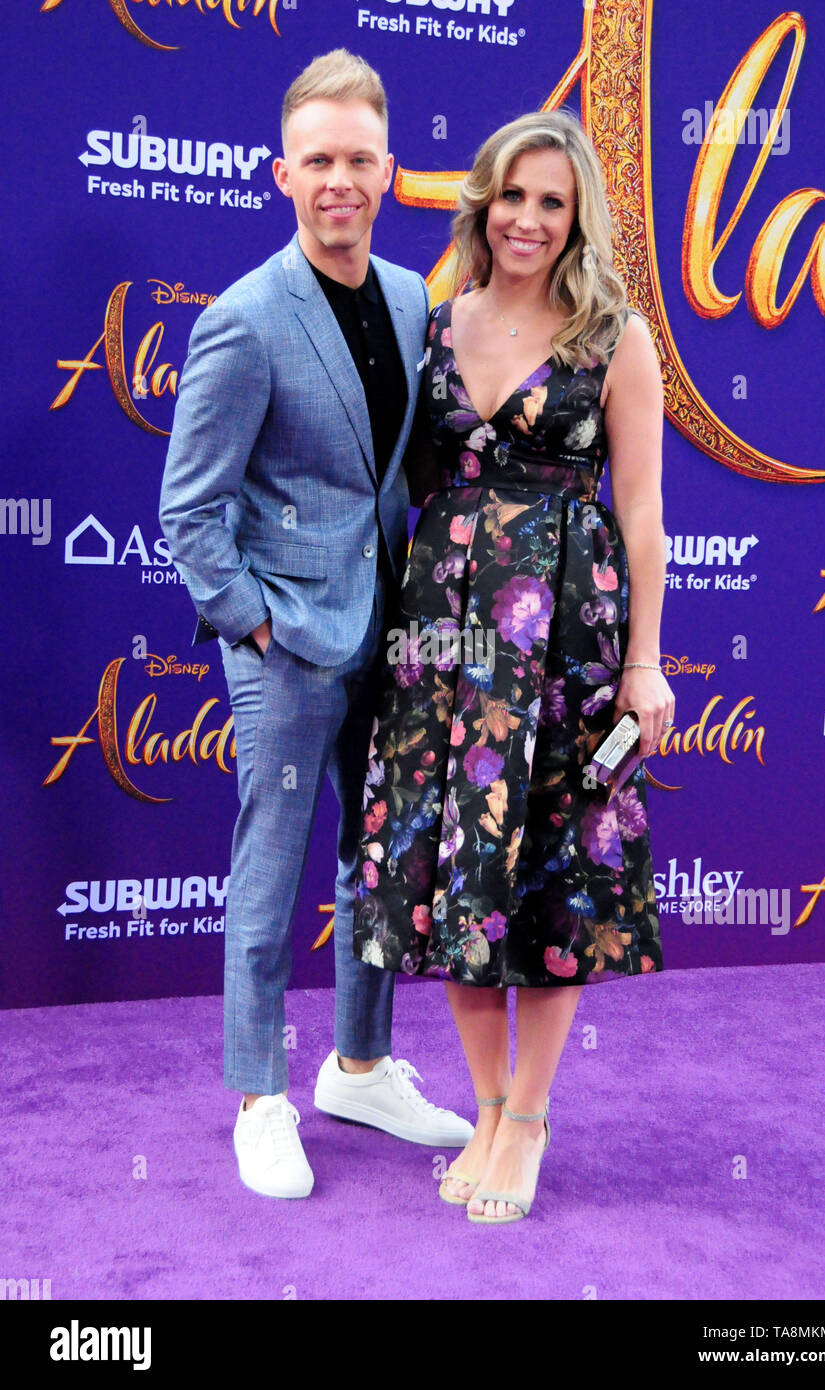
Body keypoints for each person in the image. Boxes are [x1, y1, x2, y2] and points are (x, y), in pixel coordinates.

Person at [159, 49, 472, 1201]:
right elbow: (189, 510)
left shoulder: (407, 295)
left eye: (358, 159)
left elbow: (391, 472)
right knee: (272, 867)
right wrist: (253, 626)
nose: (339, 179)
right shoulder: (244, 319)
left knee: (376, 859)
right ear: (280, 172)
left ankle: (360, 1062)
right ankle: (258, 1093)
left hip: (390, 632)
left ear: (388, 168)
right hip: (287, 642)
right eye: (317, 160)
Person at [353, 110, 673, 1223]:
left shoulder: (614, 335)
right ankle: (484, 1105)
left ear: (577, 213)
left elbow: (639, 509)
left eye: (552, 200)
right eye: (512, 196)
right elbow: (406, 486)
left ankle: (528, 1121)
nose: (528, 218)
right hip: (439, 640)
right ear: (482, 202)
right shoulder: (437, 328)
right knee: (449, 872)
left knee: (548, 878)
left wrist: (645, 663)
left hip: (566, 645)